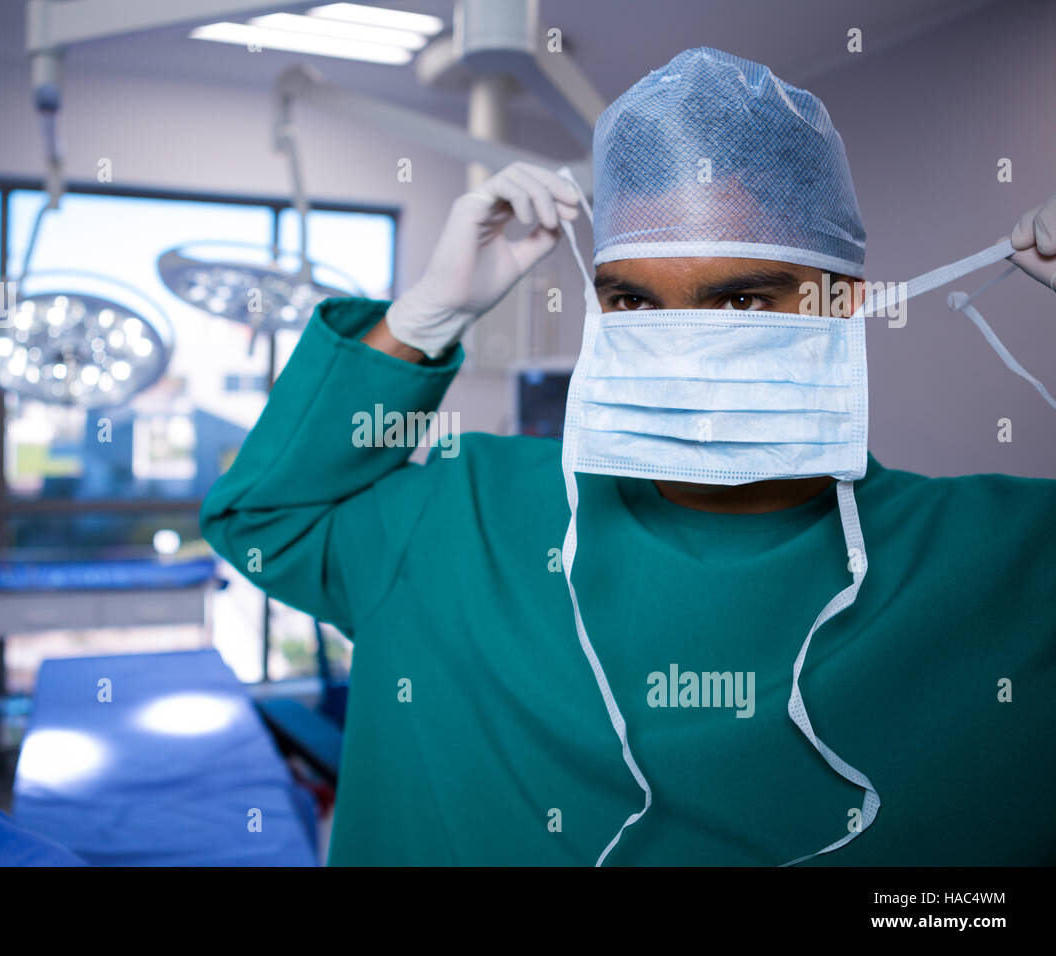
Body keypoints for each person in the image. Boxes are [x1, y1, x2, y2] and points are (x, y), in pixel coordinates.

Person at [201, 48, 1056, 865]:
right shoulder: (467, 514)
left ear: (843, 304)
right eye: (634, 302)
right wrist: (427, 315)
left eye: (740, 301)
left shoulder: (1004, 558)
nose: (681, 348)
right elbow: (264, 520)